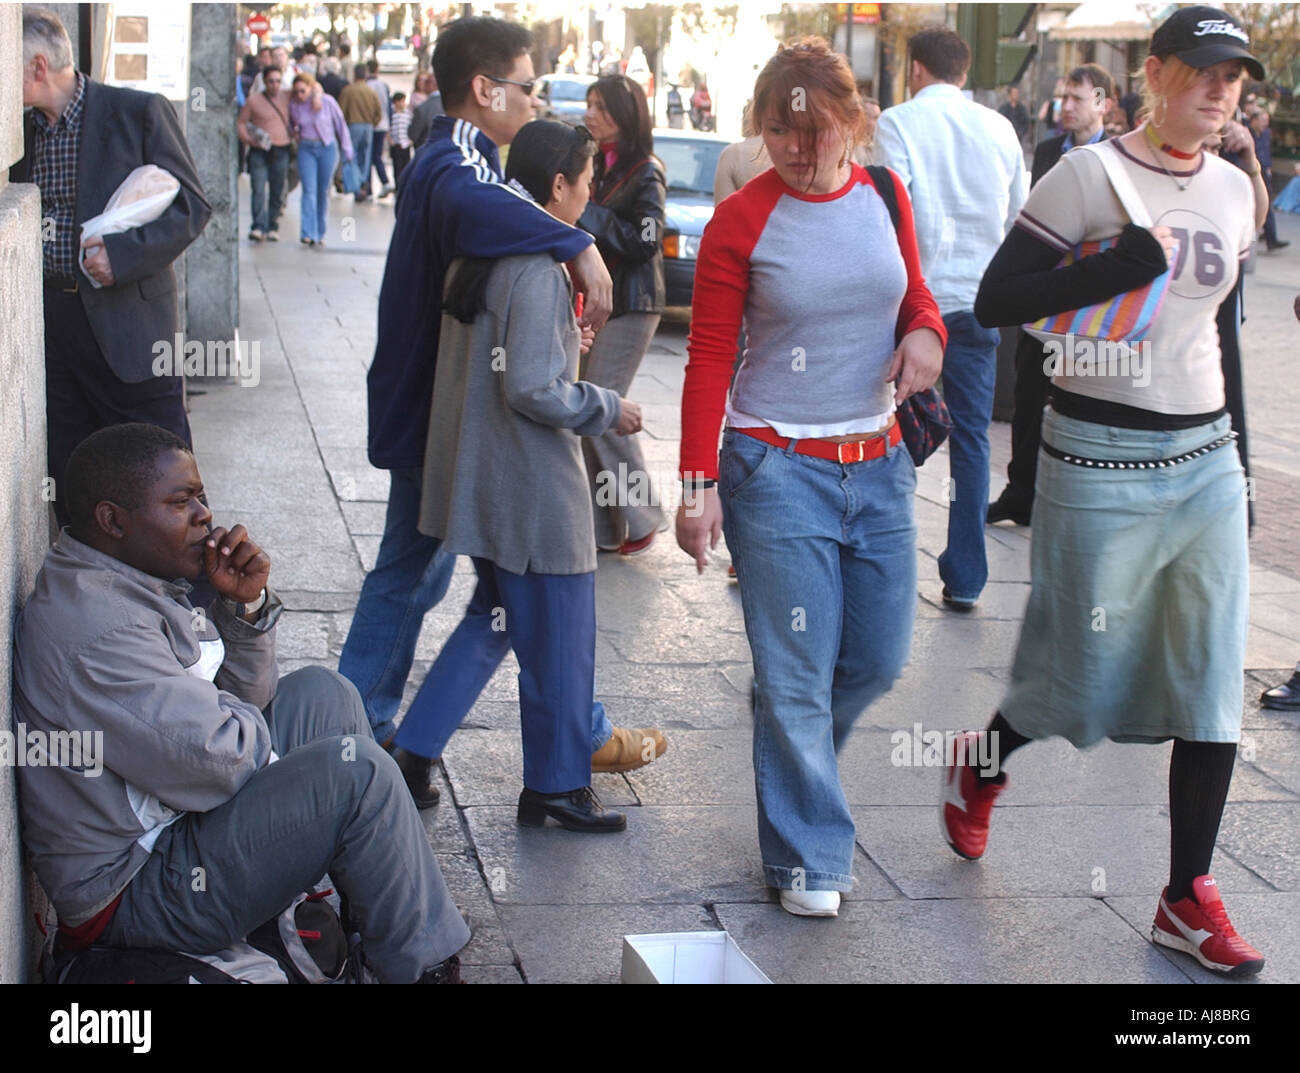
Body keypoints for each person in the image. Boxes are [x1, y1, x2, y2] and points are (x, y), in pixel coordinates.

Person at [949, 6, 1266, 977]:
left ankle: (1184, 896)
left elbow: (1222, 332)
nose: (1219, 94)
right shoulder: (1089, 174)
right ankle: (979, 764)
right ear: (1157, 74)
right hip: (1095, 454)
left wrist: (1242, 462)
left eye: (1234, 80)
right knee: (1073, 682)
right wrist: (1099, 268)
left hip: (1203, 458)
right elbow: (997, 301)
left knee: (1211, 679)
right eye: (1204, 74)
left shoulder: (1230, 188)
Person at [337, 16, 661, 806]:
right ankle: (350, 737)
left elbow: (498, 204)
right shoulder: (453, 160)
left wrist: (565, 238)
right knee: (426, 580)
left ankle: (402, 742)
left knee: (487, 597)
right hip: (443, 428)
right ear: (484, 90)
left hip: (447, 428)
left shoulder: (474, 167)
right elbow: (490, 206)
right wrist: (575, 242)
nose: (535, 99)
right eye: (526, 86)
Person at [14, 424, 469, 983]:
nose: (206, 516)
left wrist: (245, 613)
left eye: (201, 497)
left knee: (326, 696)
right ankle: (419, 969)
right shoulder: (97, 628)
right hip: (135, 892)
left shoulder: (123, 580)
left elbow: (231, 720)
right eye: (181, 503)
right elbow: (223, 761)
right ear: (113, 520)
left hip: (181, 822)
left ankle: (365, 925)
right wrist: (229, 717)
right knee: (359, 773)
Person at [676, 37, 945, 917]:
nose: (796, 148)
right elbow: (710, 354)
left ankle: (793, 753)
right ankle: (807, 858)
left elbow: (916, 295)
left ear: (851, 121)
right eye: (776, 131)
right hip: (774, 464)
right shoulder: (741, 220)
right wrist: (696, 482)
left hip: (878, 466)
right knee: (794, 674)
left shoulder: (887, 195)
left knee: (874, 657)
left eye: (813, 129)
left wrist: (926, 335)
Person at [398, 122, 643, 831]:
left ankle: (414, 748)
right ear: (558, 186)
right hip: (535, 492)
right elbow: (534, 389)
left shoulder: (482, 253)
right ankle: (557, 787)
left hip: (486, 484)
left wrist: (565, 341)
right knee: (562, 639)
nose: (593, 195)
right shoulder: (535, 264)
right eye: (587, 181)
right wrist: (609, 407)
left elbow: (512, 362)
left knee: (493, 620)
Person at [14, 7, 211, 529]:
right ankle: (94, 584)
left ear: (35, 66)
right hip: (52, 328)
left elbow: (191, 206)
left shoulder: (137, 111)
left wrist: (119, 258)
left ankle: (192, 593)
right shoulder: (21, 130)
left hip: (129, 327)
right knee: (72, 466)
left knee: (161, 466)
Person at [875, 28, 1027, 611]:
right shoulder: (1001, 127)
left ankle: (886, 563)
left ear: (915, 69)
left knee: (890, 433)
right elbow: (1020, 215)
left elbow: (896, 210)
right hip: (979, 302)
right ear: (963, 72)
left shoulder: (899, 122)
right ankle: (965, 575)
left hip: (916, 306)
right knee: (972, 442)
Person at [988, 63, 1115, 527]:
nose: (1066, 107)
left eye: (1078, 99)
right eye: (1064, 97)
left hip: (1088, 304)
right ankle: (1020, 493)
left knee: (1080, 400)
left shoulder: (1118, 158)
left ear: (1104, 104)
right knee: (1028, 395)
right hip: (1043, 299)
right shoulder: (1046, 151)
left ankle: (1074, 500)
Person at [579, 75, 668, 554]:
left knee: (602, 404)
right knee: (586, 411)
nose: (590, 114)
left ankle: (641, 516)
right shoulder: (601, 164)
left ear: (625, 115)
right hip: (602, 300)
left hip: (633, 303)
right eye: (589, 104)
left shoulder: (646, 171)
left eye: (602, 107)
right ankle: (608, 528)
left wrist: (589, 215)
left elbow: (647, 239)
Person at [288, 72, 353, 246]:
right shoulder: (294, 104)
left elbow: (341, 126)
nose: (300, 95)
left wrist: (347, 149)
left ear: (311, 88)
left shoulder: (327, 102)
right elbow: (291, 124)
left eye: (303, 91)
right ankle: (307, 232)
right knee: (309, 190)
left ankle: (319, 232)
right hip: (306, 148)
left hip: (327, 148)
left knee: (323, 191)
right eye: (297, 92)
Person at [237, 63, 293, 242]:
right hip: (259, 150)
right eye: (271, 81)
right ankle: (258, 226)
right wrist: (248, 139)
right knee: (258, 189)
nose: (275, 85)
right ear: (264, 82)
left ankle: (272, 224)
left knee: (277, 190)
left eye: (278, 81)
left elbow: (312, 86)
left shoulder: (287, 96)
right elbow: (241, 122)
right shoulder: (254, 100)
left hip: (281, 148)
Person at [338, 64, 381, 203]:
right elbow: (378, 113)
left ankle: (356, 186)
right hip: (368, 127)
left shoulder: (348, 91)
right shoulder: (371, 92)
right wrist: (372, 124)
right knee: (365, 157)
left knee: (352, 156)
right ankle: (362, 182)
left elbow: (341, 112)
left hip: (353, 126)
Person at [1250, 110, 1289, 250]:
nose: (1265, 123)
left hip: (1264, 172)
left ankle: (1270, 237)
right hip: (1251, 173)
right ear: (1254, 120)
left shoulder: (1266, 133)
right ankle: (1267, 235)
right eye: (1262, 120)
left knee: (1266, 204)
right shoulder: (1247, 133)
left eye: (1266, 120)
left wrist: (1269, 167)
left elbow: (1266, 151)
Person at [366, 58, 396, 198]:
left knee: (368, 156)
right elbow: (389, 107)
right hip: (382, 125)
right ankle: (384, 182)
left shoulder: (366, 85)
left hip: (369, 125)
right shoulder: (383, 86)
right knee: (377, 155)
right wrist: (389, 125)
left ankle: (368, 188)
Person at [389, 91, 413, 186]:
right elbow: (389, 128)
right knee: (397, 166)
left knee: (406, 165)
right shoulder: (391, 114)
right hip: (396, 144)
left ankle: (405, 184)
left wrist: (410, 140)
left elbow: (411, 126)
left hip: (405, 143)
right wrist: (390, 140)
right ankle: (398, 185)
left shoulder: (408, 114)